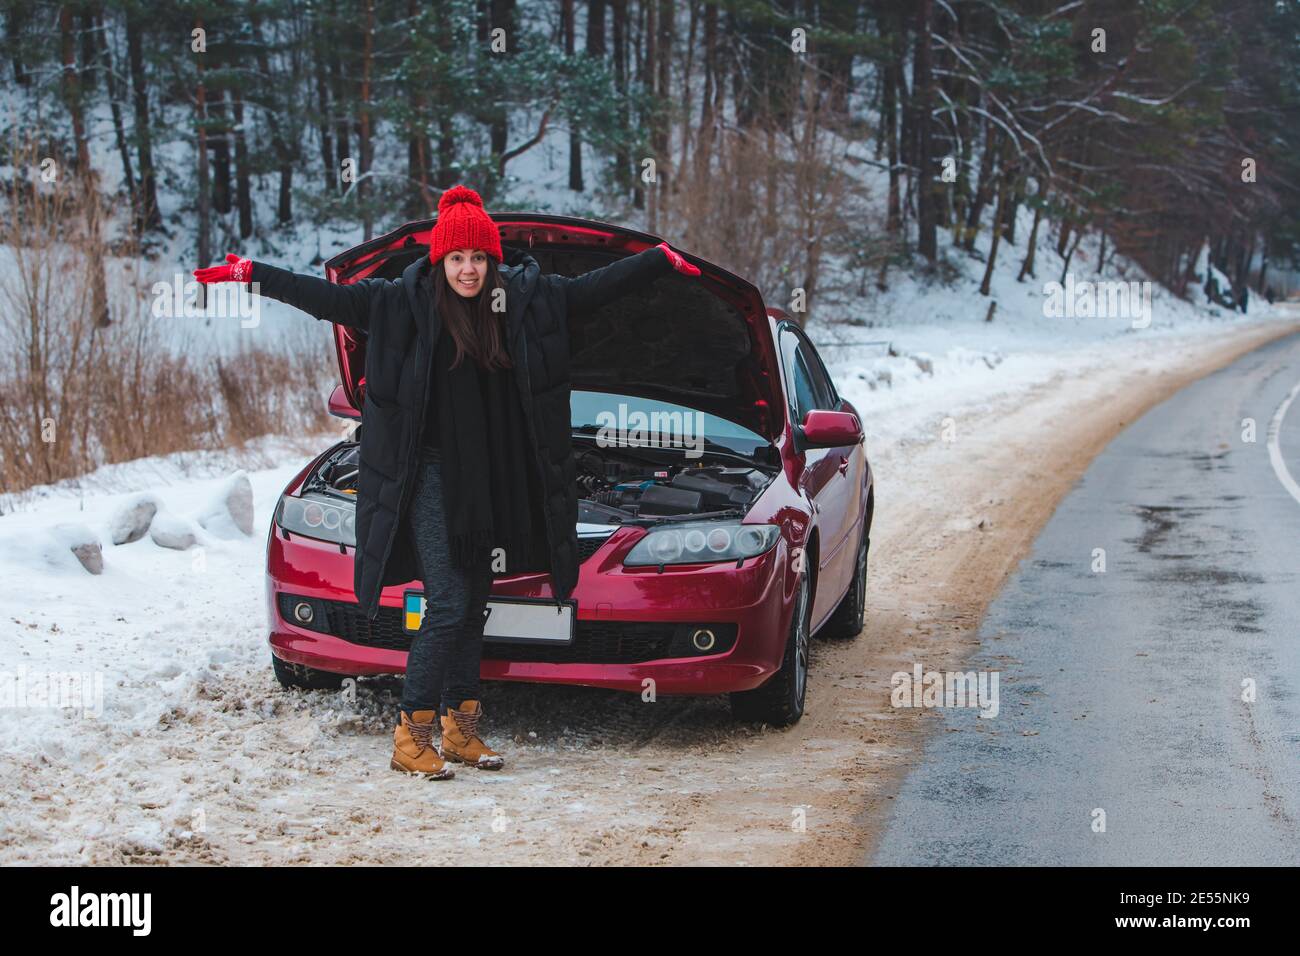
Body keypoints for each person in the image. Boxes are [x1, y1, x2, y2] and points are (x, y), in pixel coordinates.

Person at [194, 185, 701, 779]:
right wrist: (254, 274)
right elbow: (321, 298)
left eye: (479, 259)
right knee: (451, 600)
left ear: (492, 262)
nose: (468, 270)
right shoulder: (398, 303)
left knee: (474, 603)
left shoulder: (520, 302)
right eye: (457, 258)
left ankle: (461, 730)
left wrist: (658, 259)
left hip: (489, 478)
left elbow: (591, 292)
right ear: (439, 260)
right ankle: (412, 734)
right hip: (426, 474)